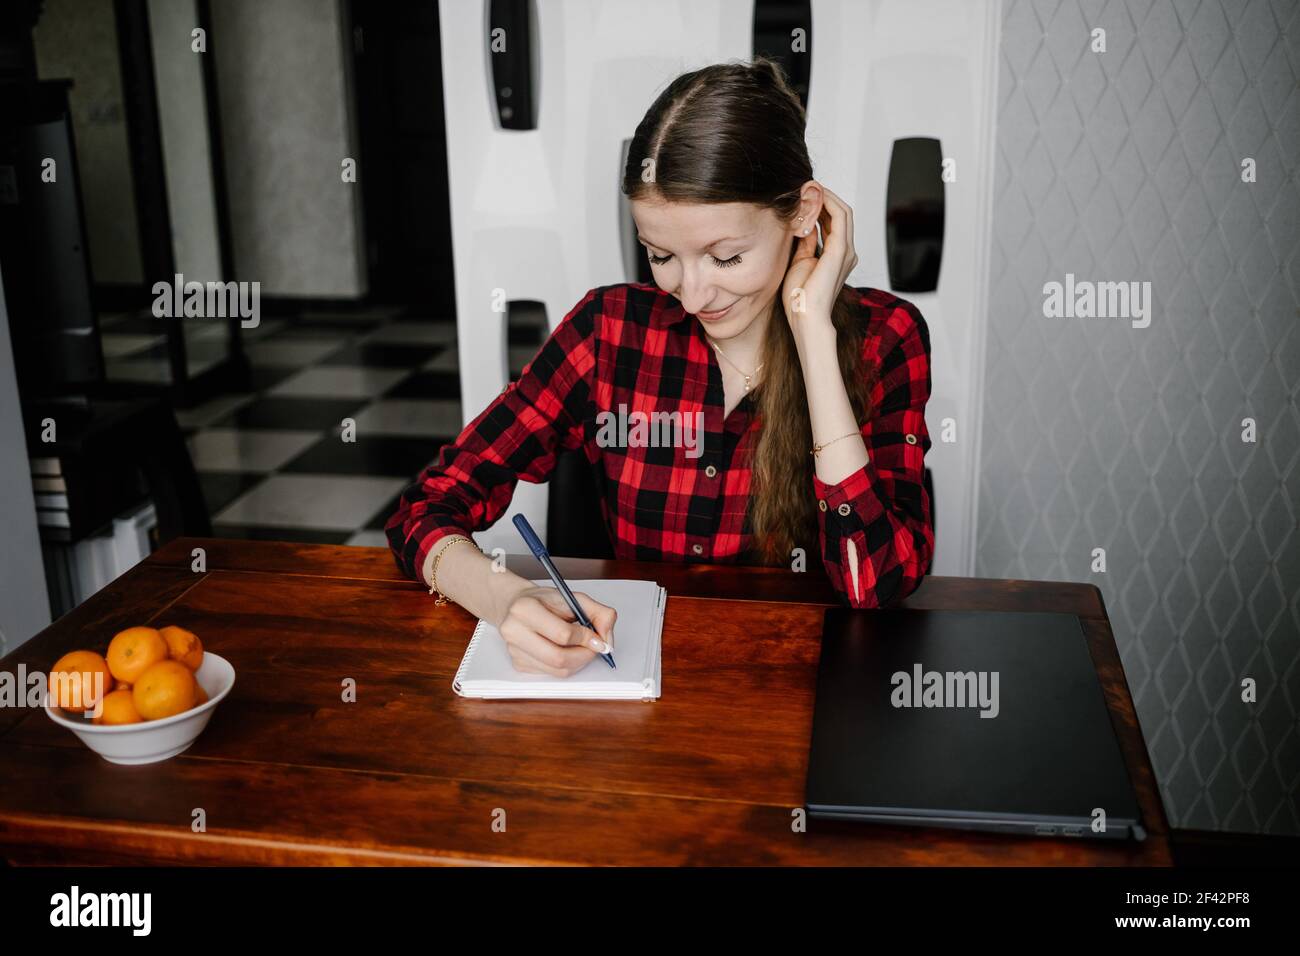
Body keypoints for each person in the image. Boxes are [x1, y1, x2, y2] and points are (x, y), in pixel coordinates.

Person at [387, 58, 934, 677]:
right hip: (628, 685)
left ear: (804, 212)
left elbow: (876, 584)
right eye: (662, 255)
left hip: (802, 696)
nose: (693, 294)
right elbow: (424, 508)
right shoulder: (608, 330)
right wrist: (504, 597)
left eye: (726, 257)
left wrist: (812, 333)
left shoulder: (887, 339)